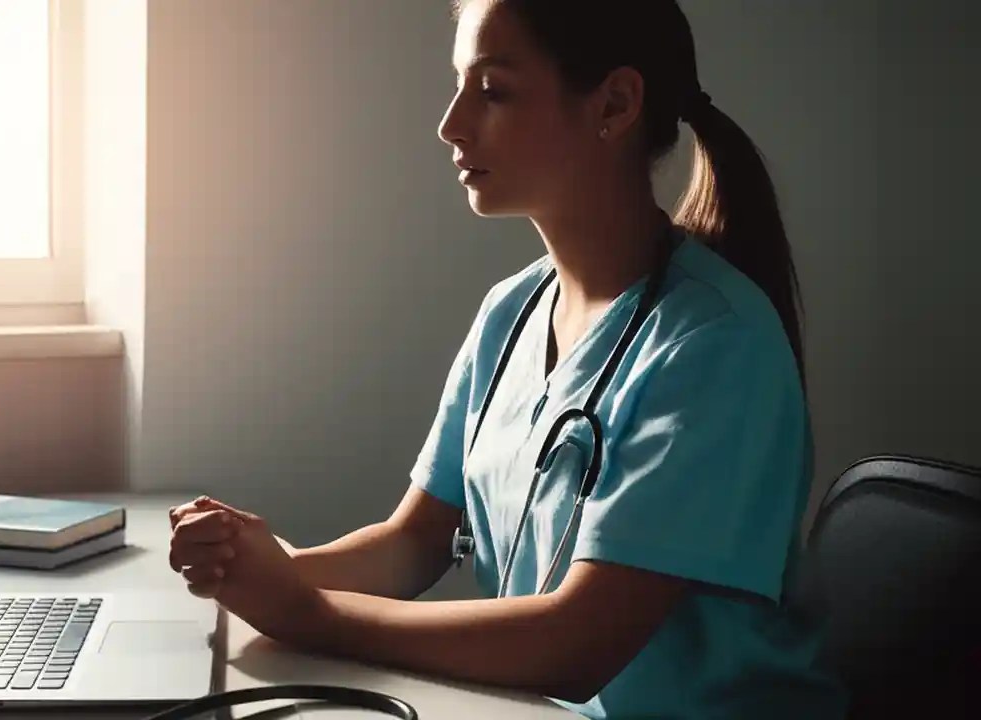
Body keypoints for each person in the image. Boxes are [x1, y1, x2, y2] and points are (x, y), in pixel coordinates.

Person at [166, 0, 847, 717]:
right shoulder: (512, 312)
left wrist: (307, 613)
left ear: (614, 104)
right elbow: (413, 544)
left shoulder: (714, 343)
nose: (451, 124)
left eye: (492, 90)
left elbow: (574, 645)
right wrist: (253, 570)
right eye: (460, 84)